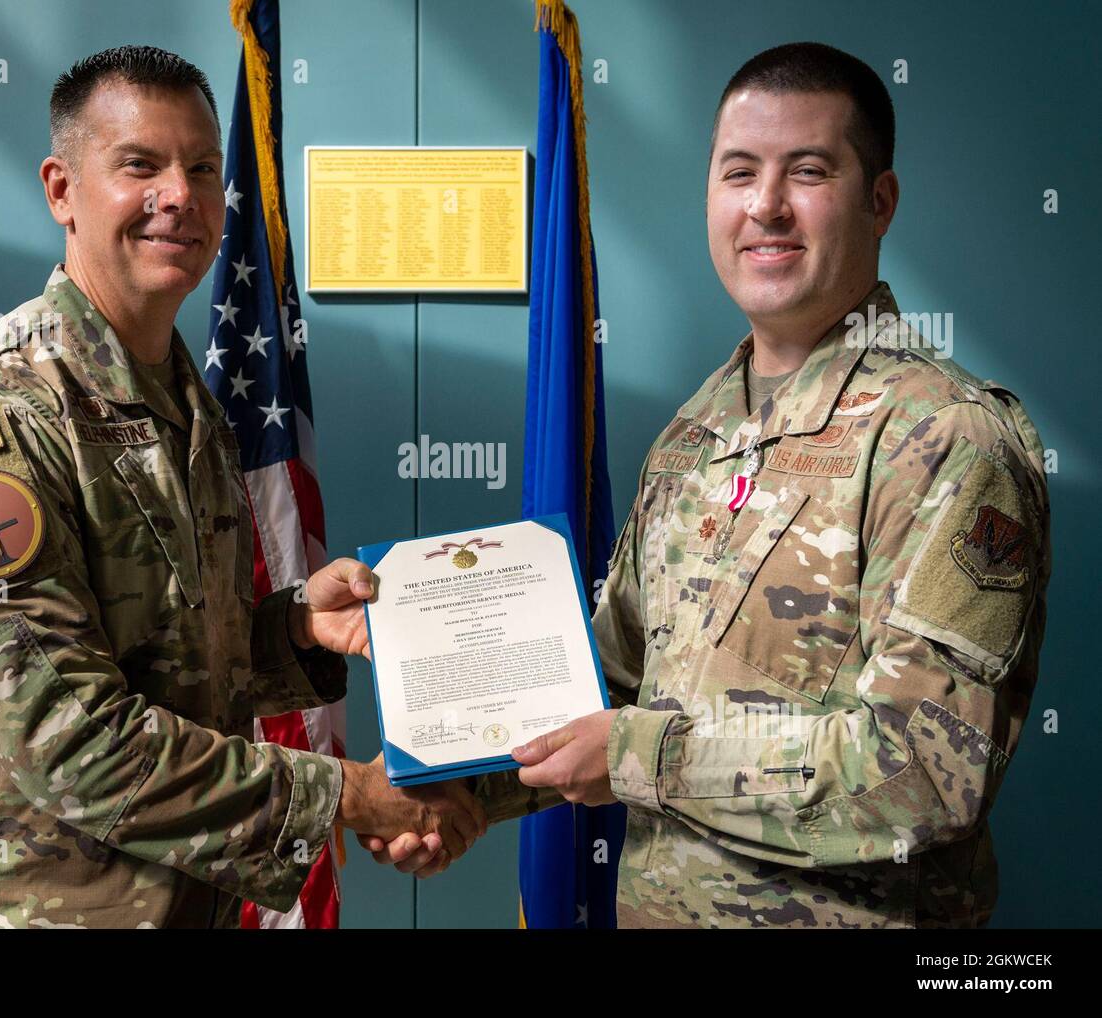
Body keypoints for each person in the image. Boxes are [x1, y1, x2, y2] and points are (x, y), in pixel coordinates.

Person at [369, 42, 1051, 929]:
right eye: (739, 173)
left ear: (877, 201)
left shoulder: (948, 439)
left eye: (807, 171)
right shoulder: (696, 434)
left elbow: (922, 773)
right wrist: (456, 794)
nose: (765, 206)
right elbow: (601, 682)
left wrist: (637, 756)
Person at [0, 45, 483, 929]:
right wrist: (348, 795)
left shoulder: (187, 408)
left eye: (201, 168)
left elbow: (169, 661)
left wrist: (300, 627)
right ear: (62, 190)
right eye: (140, 165)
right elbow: (70, 740)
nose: (180, 196)